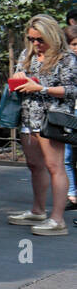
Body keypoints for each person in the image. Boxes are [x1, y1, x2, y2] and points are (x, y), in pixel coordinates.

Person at [6, 14, 77, 236]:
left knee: (55, 166)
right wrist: (17, 78)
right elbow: (19, 79)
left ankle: (57, 219)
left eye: (40, 40)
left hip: (52, 119)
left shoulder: (66, 59)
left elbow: (72, 90)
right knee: (34, 165)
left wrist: (42, 89)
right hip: (28, 117)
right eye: (31, 38)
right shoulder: (27, 54)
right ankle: (37, 210)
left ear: (52, 37)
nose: (36, 44)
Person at [66, 25, 77, 211]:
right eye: (74, 44)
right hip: (68, 113)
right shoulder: (66, 62)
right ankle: (72, 194)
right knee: (66, 156)